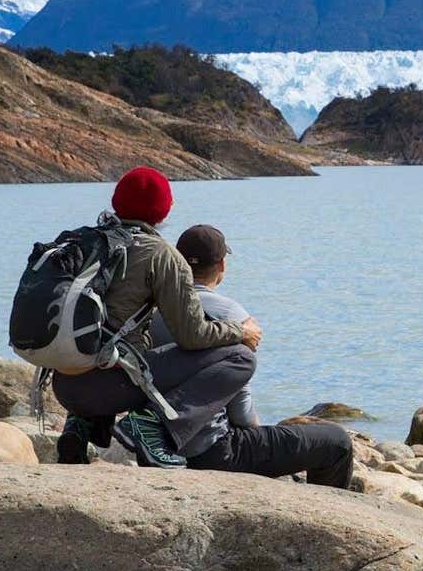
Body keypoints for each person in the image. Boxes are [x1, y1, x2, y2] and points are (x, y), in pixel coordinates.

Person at [52, 167, 353, 489]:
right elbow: (239, 407)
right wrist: (239, 331)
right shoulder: (226, 310)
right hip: (211, 449)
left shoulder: (128, 281)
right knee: (335, 442)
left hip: (75, 385)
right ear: (222, 265)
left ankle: (86, 424)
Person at [158, 223, 259, 429]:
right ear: (221, 265)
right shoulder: (233, 314)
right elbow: (243, 416)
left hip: (158, 421)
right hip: (210, 436)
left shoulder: (155, 308)